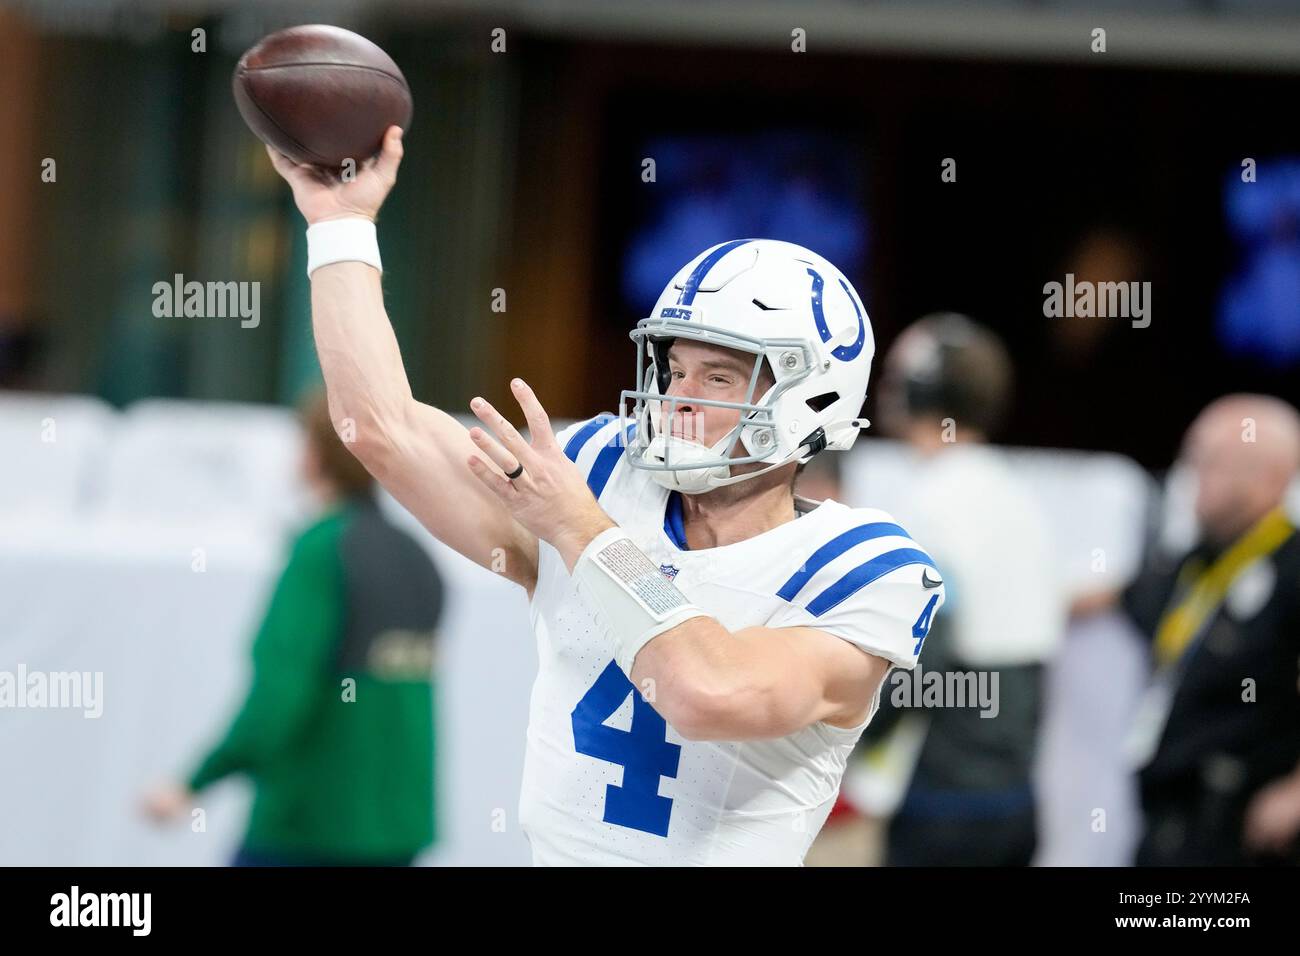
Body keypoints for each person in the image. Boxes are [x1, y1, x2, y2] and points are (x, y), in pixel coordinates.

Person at [264, 127, 945, 866]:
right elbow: (380, 429)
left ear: (811, 400)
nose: (677, 397)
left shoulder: (863, 568)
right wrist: (338, 225)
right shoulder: (603, 474)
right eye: (672, 367)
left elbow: (704, 692)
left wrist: (583, 531)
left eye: (717, 378)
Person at [142, 391, 443, 867]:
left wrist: (192, 782)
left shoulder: (320, 552)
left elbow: (279, 696)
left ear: (314, 452)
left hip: (309, 826)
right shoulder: (416, 556)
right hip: (397, 828)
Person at [853, 314, 1064, 866]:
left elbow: (926, 651)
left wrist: (854, 739)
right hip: (1015, 791)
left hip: (945, 796)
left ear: (911, 389)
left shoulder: (934, 499)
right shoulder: (1017, 493)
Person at [1075, 394, 1300, 865]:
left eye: (1208, 462)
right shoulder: (1197, 558)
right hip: (1168, 806)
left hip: (1244, 820)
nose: (1189, 478)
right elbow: (1130, 596)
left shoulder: (1291, 569)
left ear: (1269, 476)